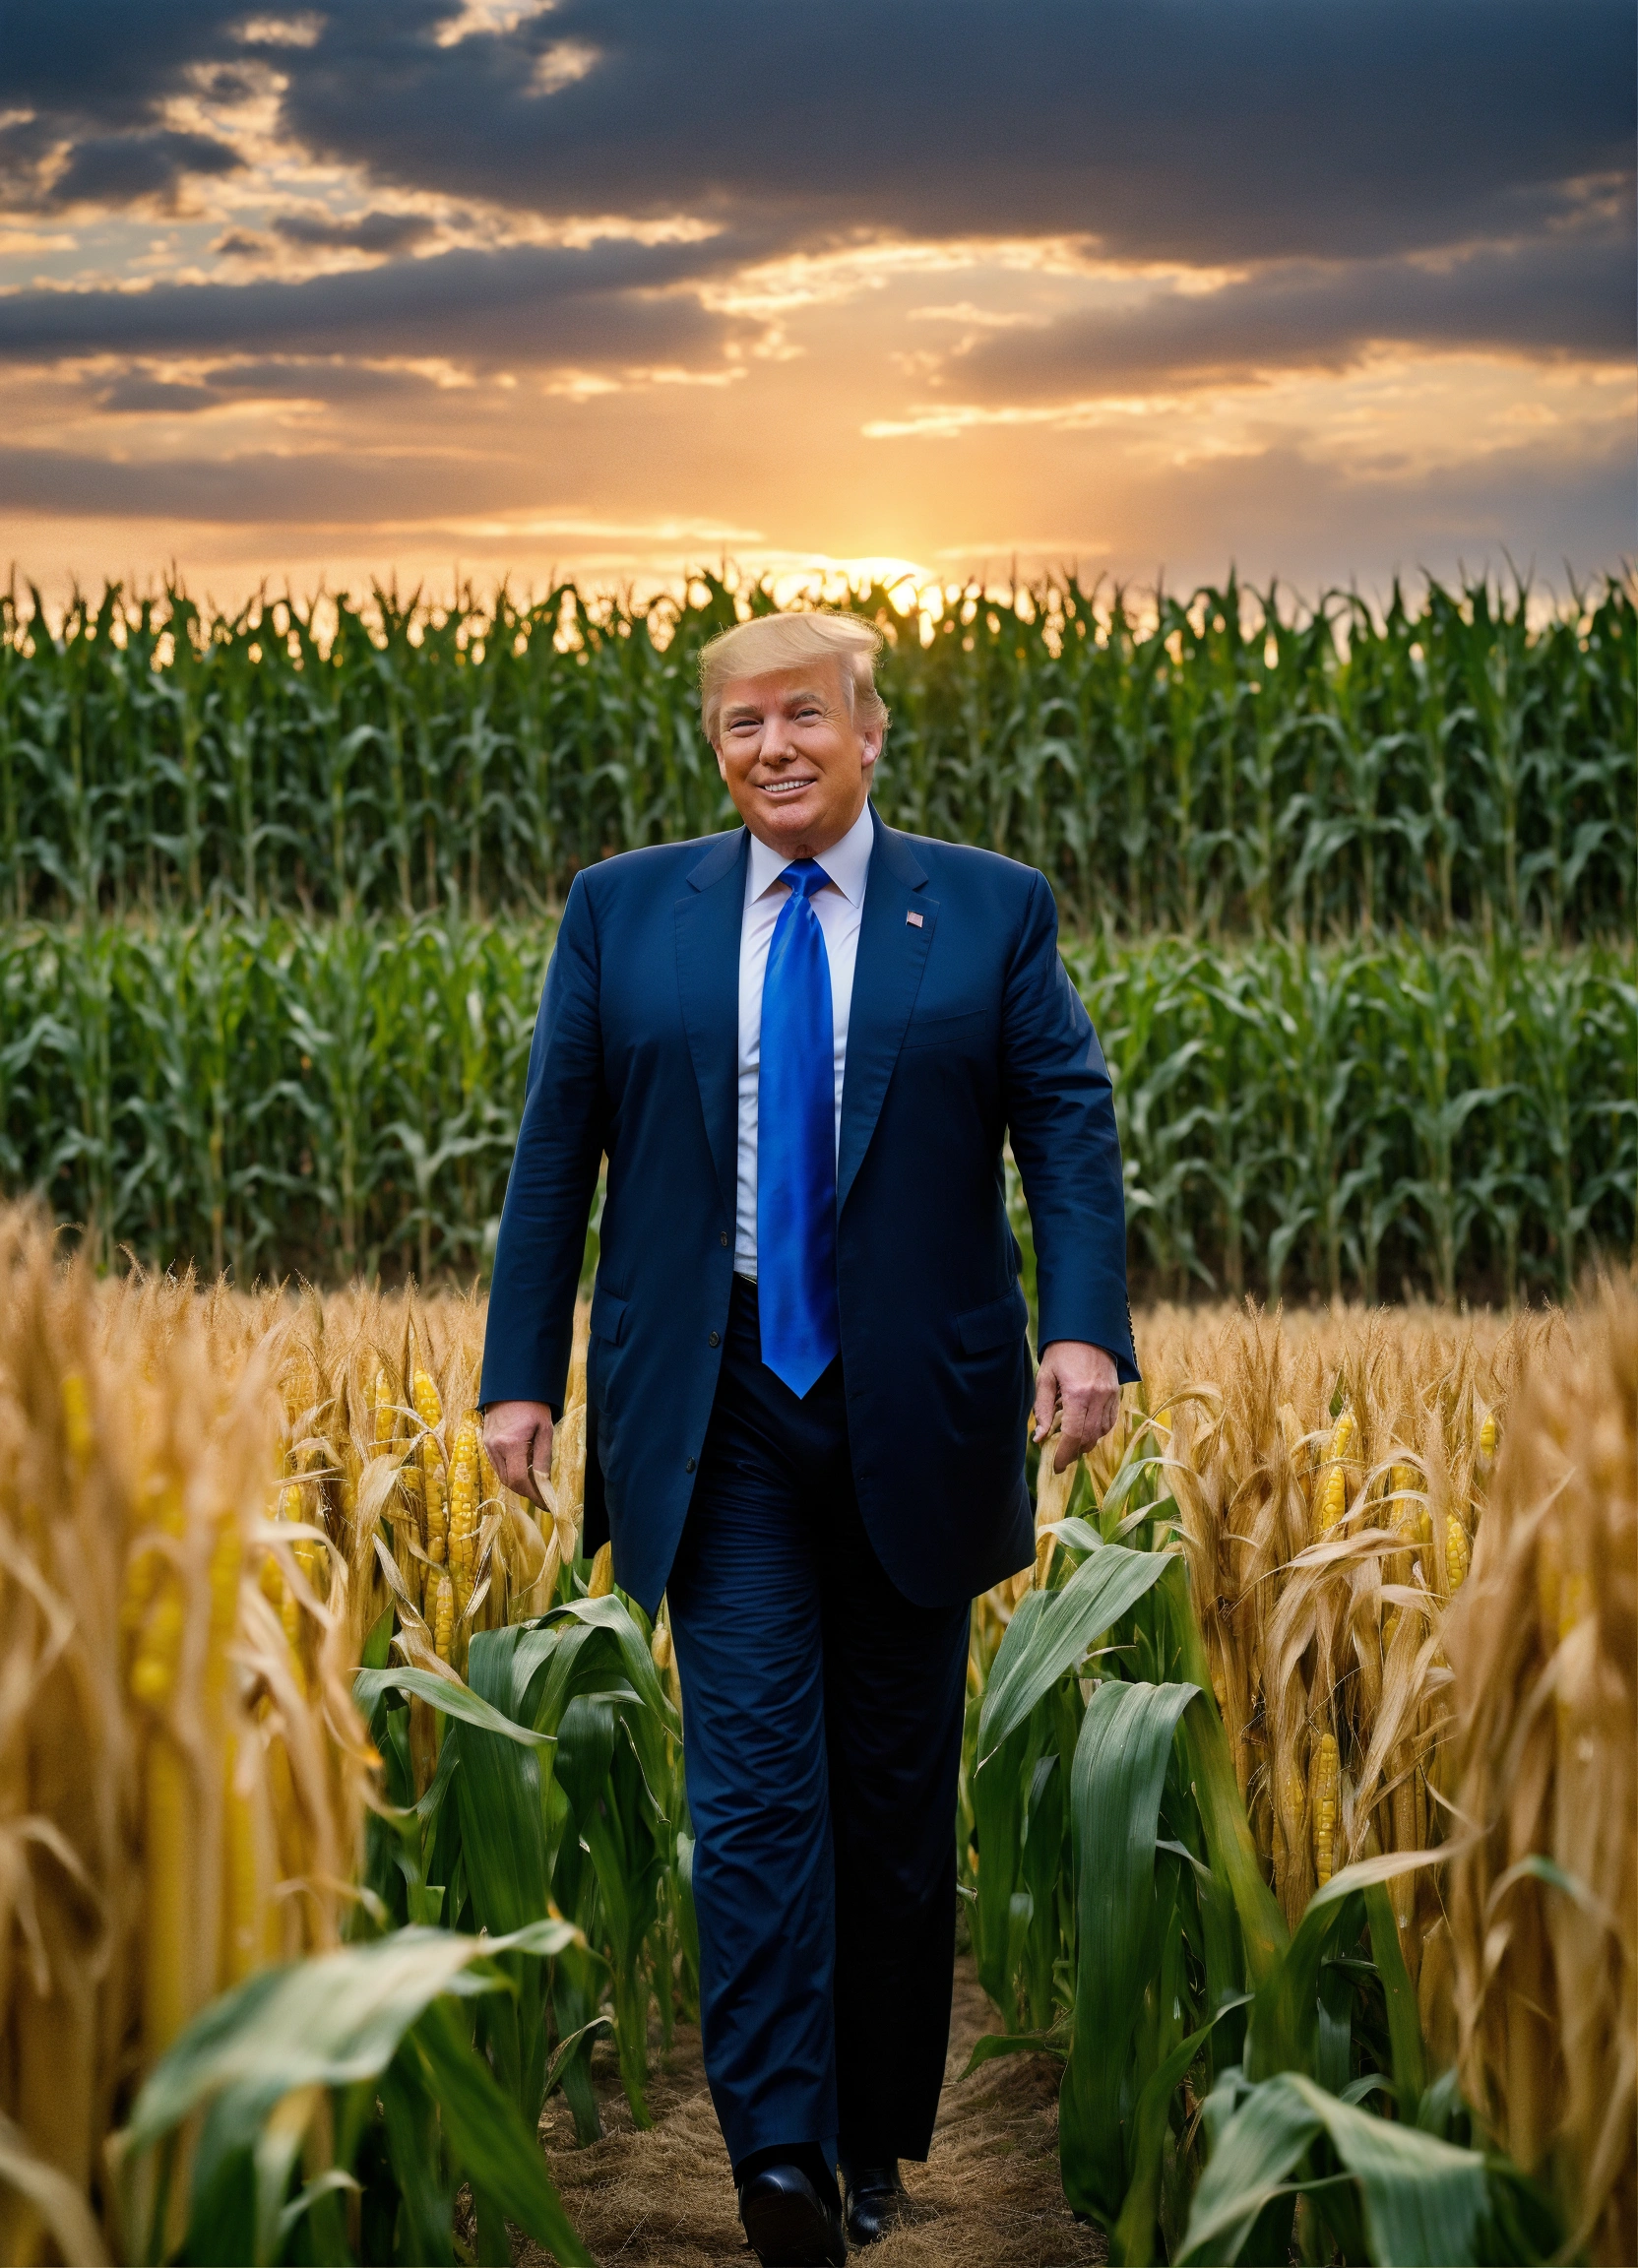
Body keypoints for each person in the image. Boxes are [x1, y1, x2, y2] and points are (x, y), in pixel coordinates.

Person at [480, 609, 1136, 2267]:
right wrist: (520, 1373)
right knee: (758, 1783)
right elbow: (556, 1151)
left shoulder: (984, 908)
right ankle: (776, 2157)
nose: (772, 747)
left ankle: (868, 2136)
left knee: (893, 1805)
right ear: (715, 745)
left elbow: (1064, 1118)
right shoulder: (624, 909)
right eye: (741, 724)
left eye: (803, 716)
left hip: (917, 1403)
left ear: (870, 729)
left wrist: (1083, 1325)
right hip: (714, 1409)